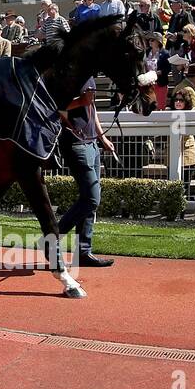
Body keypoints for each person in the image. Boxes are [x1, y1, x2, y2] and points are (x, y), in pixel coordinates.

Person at [56, 77, 115, 269]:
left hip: (91, 143)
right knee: (91, 199)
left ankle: (83, 252)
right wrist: (80, 102)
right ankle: (52, 236)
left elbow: (92, 108)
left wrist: (101, 136)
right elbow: (55, 107)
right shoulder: (68, 76)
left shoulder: (89, 77)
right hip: (74, 143)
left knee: (89, 201)